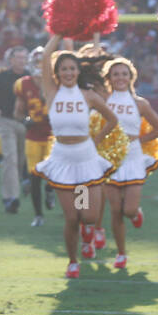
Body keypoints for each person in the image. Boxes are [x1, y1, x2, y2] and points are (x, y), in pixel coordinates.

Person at [33, 35, 119, 278]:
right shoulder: (51, 91)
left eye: (72, 69)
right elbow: (46, 57)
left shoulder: (88, 95)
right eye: (64, 69)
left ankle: (89, 231)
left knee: (87, 215)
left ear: (78, 71)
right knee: (71, 217)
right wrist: (58, 33)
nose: (69, 73)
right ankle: (73, 261)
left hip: (85, 158)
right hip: (62, 158)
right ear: (57, 73)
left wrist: (98, 138)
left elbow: (112, 119)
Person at [101, 57, 158, 269]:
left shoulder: (140, 103)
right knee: (115, 210)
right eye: (115, 74)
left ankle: (136, 213)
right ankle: (121, 253)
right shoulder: (102, 101)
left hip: (133, 158)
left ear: (131, 77)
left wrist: (138, 139)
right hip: (110, 159)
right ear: (109, 78)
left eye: (124, 74)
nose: (120, 78)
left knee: (128, 210)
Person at [0, 45, 30, 212]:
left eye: (23, 57)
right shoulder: (2, 77)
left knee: (20, 161)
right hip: (6, 121)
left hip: (25, 123)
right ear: (11, 60)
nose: (21, 60)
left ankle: (14, 190)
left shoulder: (30, 77)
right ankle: (11, 197)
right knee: (10, 159)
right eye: (18, 57)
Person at [14, 46, 52, 227]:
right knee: (35, 177)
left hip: (53, 136)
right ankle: (38, 215)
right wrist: (26, 119)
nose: (39, 66)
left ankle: (50, 190)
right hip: (33, 136)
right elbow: (18, 112)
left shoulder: (56, 81)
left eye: (41, 62)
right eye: (36, 62)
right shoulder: (23, 84)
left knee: (54, 173)